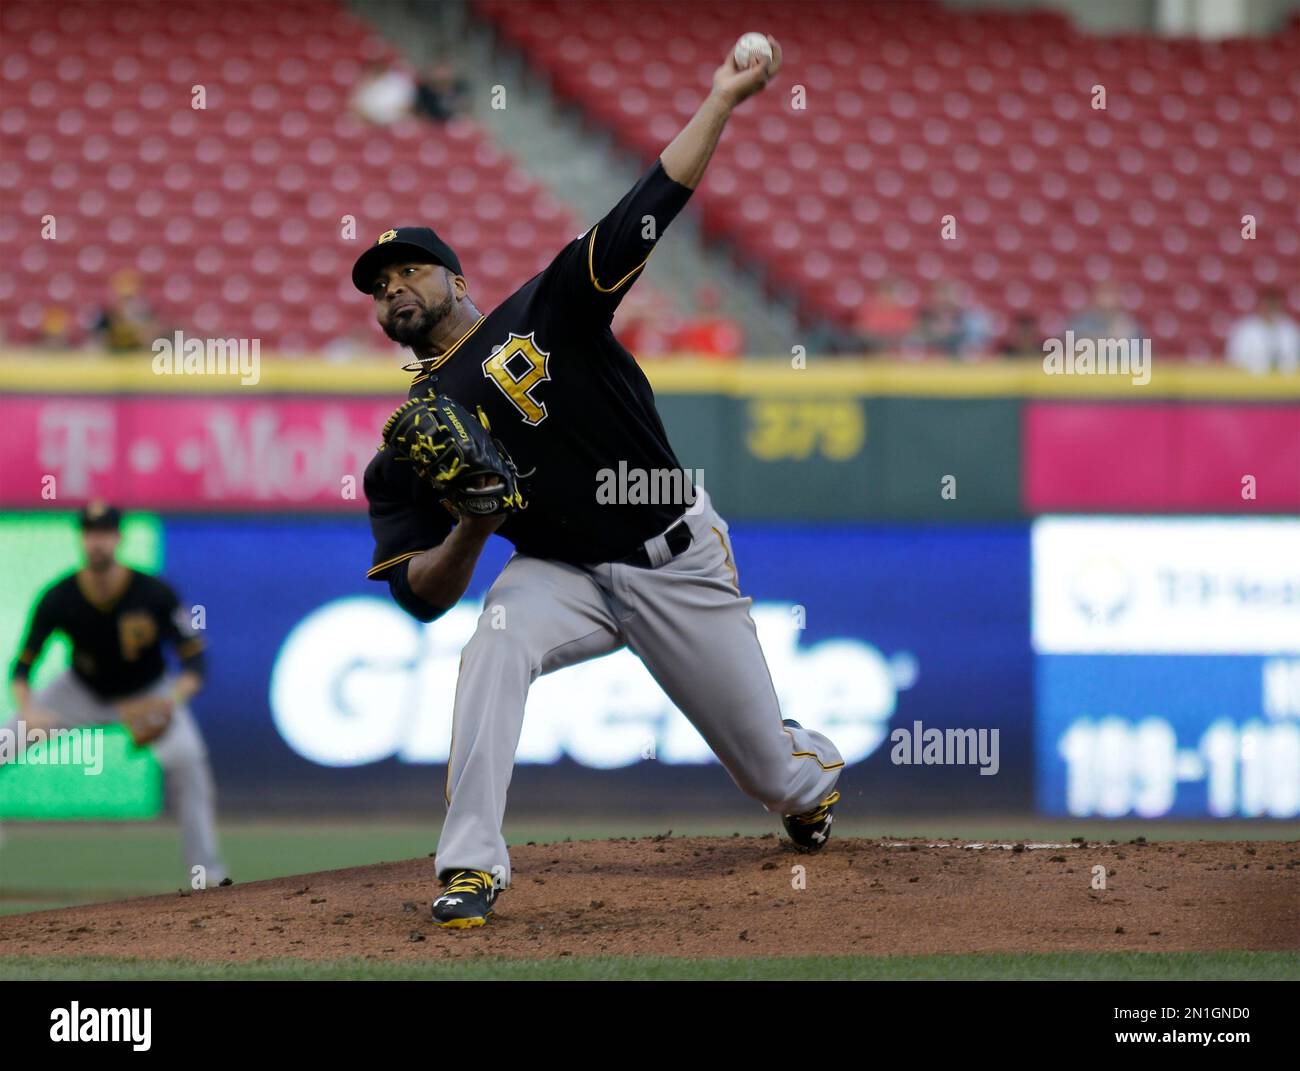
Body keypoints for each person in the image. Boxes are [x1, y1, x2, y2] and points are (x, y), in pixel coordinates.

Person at [353, 34, 843, 929]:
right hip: (558, 573)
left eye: (409, 268)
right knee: (492, 641)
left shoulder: (548, 305)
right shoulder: (406, 447)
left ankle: (806, 772)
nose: (394, 289)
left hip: (671, 555)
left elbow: (647, 204)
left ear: (454, 278)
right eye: (378, 286)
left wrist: (722, 98)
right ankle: (469, 867)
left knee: (769, 779)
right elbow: (421, 600)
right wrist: (470, 523)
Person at [4, 503, 227, 886]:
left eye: (105, 533)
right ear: (81, 538)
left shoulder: (155, 592)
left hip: (147, 691)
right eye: (91, 533)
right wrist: (28, 709)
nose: (98, 541)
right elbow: (22, 668)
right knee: (5, 742)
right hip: (79, 691)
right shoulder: (59, 596)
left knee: (188, 761)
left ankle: (205, 871)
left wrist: (169, 702)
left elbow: (196, 662)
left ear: (119, 538)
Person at [1226, 289, 1299, 374]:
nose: (1271, 310)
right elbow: (1234, 358)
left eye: (1274, 306)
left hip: (1285, 382)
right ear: (1261, 306)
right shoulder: (1245, 329)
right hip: (1251, 381)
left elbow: (1295, 359)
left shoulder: (1290, 330)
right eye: (1269, 306)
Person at [350, 61, 416, 126]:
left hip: (396, 119)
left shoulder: (398, 82)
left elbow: (406, 106)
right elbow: (358, 108)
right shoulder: (364, 86)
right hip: (372, 121)